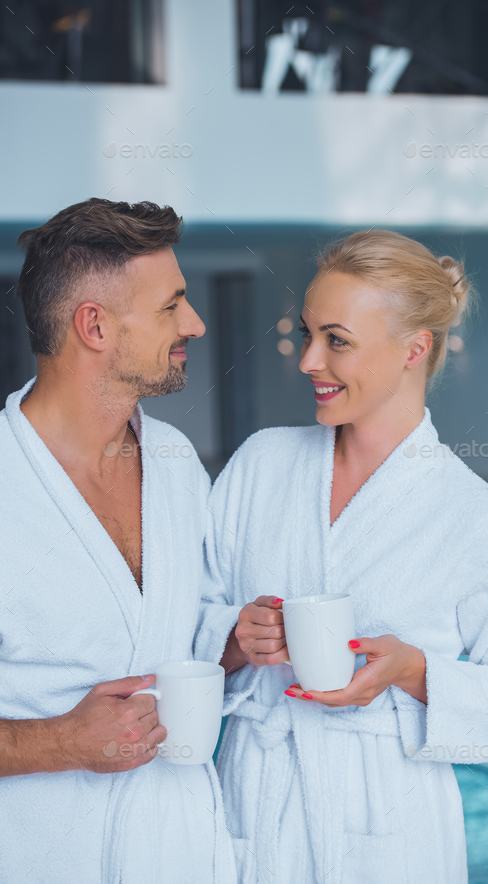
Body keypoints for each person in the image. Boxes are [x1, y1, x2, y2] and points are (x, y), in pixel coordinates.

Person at [195, 230, 488, 883]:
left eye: (336, 340)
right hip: (252, 805)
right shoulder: (260, 464)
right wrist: (231, 637)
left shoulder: (474, 517)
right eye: (308, 333)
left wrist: (415, 671)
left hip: (387, 827)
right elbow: (181, 618)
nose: (308, 360)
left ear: (413, 350)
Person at [0, 199, 236, 884]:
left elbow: (190, 626)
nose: (194, 324)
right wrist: (60, 742)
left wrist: (237, 637)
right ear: (94, 325)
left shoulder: (174, 459)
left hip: (177, 851)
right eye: (171, 307)